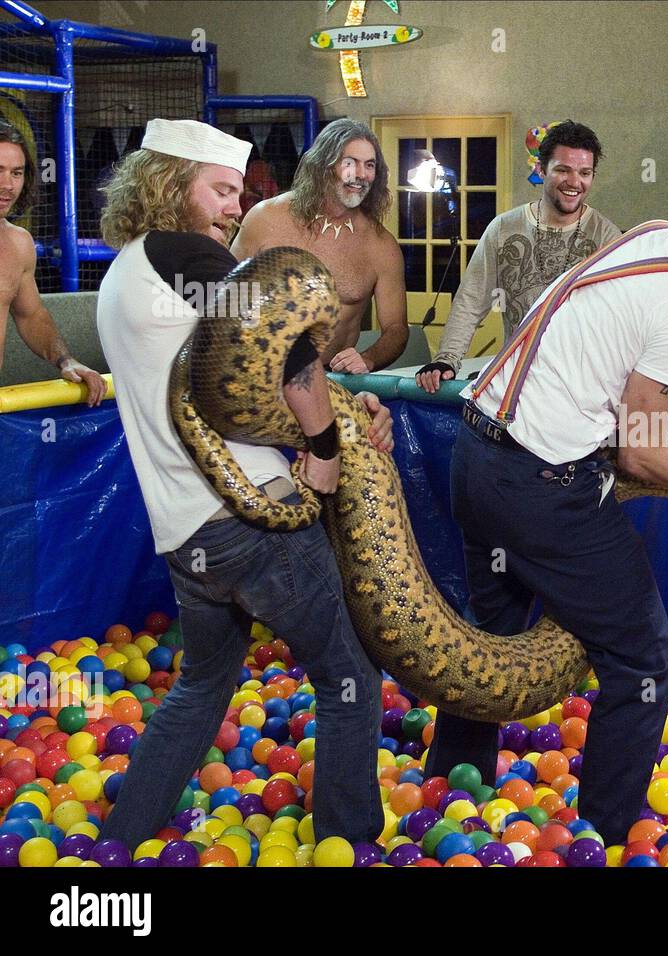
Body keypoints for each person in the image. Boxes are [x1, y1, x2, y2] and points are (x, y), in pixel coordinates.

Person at [428, 147, 668, 844]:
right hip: (541, 488)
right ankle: (604, 837)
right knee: (641, 659)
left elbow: (653, 396)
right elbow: (642, 450)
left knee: (490, 635)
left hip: (476, 457)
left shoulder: (650, 239)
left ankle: (450, 796)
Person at [94, 118, 394, 851]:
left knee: (201, 687)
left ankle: (120, 841)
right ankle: (346, 844)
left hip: (186, 536)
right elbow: (288, 351)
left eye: (239, 191)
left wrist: (349, 413)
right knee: (349, 676)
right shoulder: (184, 254)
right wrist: (326, 443)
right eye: (221, 189)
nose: (236, 206)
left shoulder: (124, 271)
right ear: (170, 183)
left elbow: (230, 385)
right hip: (251, 522)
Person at [416, 120, 621, 389]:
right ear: (541, 169)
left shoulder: (608, 238)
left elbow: (622, 322)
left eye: (585, 172)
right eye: (563, 170)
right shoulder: (503, 228)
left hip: (582, 389)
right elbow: (471, 300)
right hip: (516, 384)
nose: (574, 182)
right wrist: (446, 360)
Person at [233, 118, 408, 374]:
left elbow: (397, 329)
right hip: (256, 372)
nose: (360, 174)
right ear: (323, 166)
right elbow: (222, 297)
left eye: (369, 165)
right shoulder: (265, 218)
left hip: (329, 380)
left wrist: (368, 358)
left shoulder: (381, 246)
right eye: (349, 163)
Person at [0, 120, 107, 404]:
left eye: (16, 173)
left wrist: (65, 360)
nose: (7, 184)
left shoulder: (18, 244)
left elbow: (30, 315)